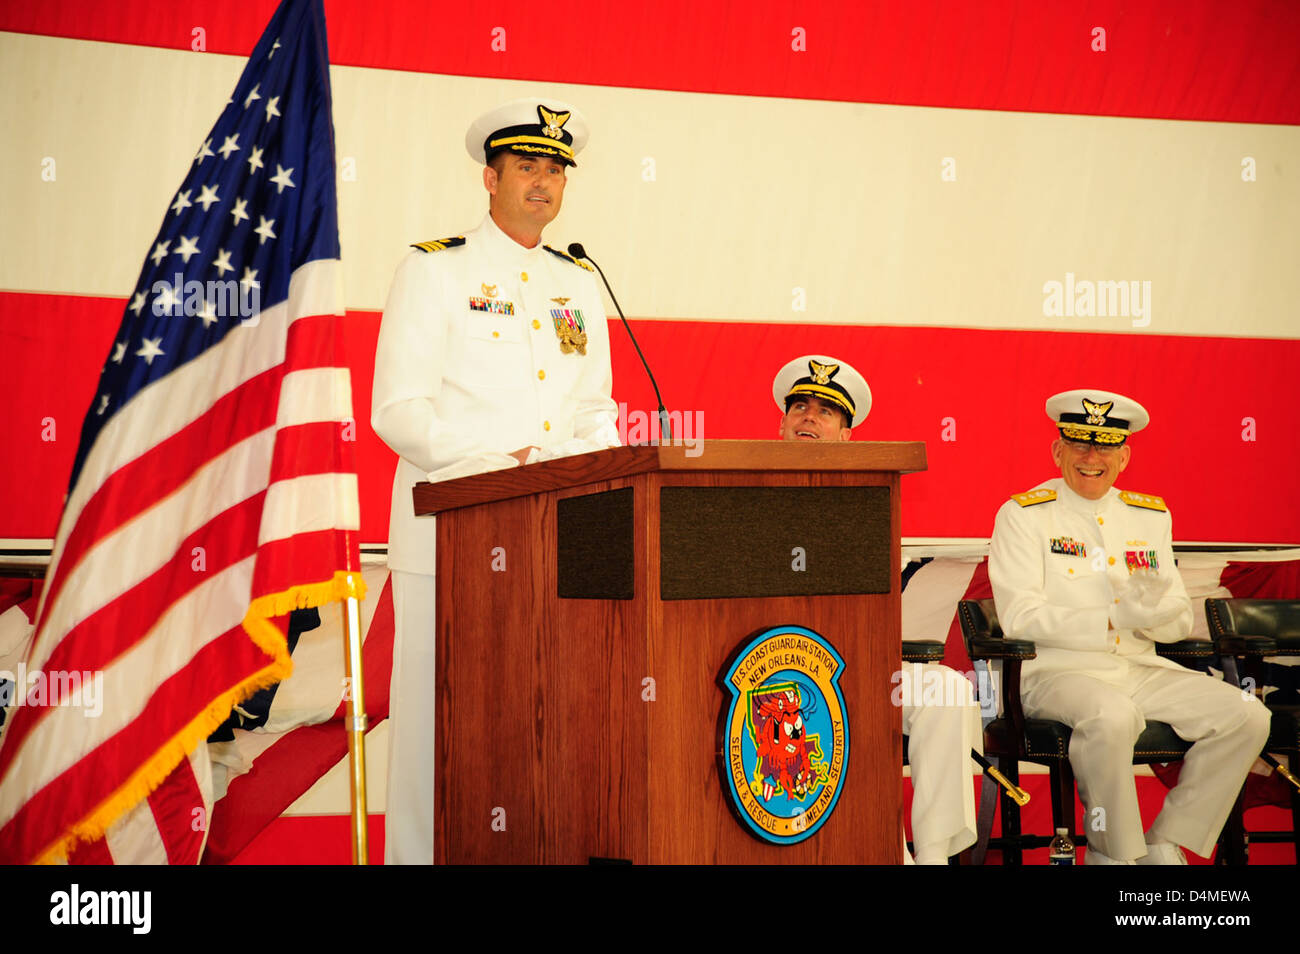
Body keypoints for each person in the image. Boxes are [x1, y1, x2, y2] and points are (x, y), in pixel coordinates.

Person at [371, 98, 620, 863]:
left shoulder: (577, 283)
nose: (542, 183)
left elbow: (595, 414)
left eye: (555, 170)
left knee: (538, 729)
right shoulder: (435, 268)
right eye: (526, 167)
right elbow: (398, 412)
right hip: (452, 538)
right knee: (435, 736)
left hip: (555, 547)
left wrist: (614, 481)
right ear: (490, 176)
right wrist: (500, 465)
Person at [988, 389, 1270, 864]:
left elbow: (1179, 617)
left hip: (1138, 665)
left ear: (1124, 456)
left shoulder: (1148, 514)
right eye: (1079, 443)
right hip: (1056, 672)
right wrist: (1112, 617)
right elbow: (1020, 617)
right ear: (1058, 450)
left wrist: (1156, 613)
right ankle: (1112, 853)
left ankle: (1165, 839)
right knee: (1112, 717)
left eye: (1104, 447)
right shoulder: (1023, 514)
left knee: (1247, 716)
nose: (1091, 458)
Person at [773, 355, 982, 865]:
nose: (808, 417)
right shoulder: (739, 493)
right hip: (776, 669)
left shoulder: (869, 499)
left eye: (825, 413)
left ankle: (931, 855)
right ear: (781, 425)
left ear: (846, 435)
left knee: (948, 689)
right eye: (799, 407)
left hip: (859, 664)